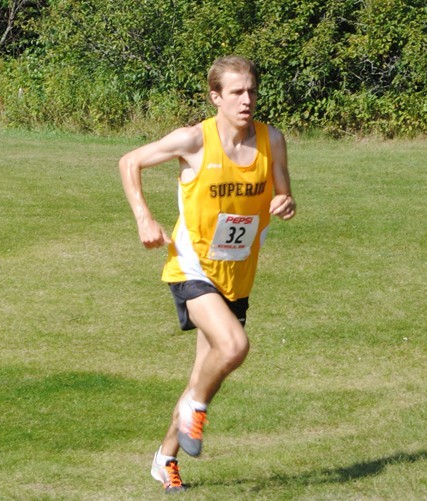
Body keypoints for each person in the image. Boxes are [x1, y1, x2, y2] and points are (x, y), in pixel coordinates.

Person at [119, 55, 296, 493]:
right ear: (216, 97)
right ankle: (195, 407)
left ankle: (165, 458)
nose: (247, 99)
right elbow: (129, 161)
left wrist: (286, 203)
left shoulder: (272, 140)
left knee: (205, 373)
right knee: (234, 347)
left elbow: (285, 192)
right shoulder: (195, 140)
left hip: (237, 272)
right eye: (236, 92)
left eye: (252, 90)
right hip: (191, 265)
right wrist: (144, 217)